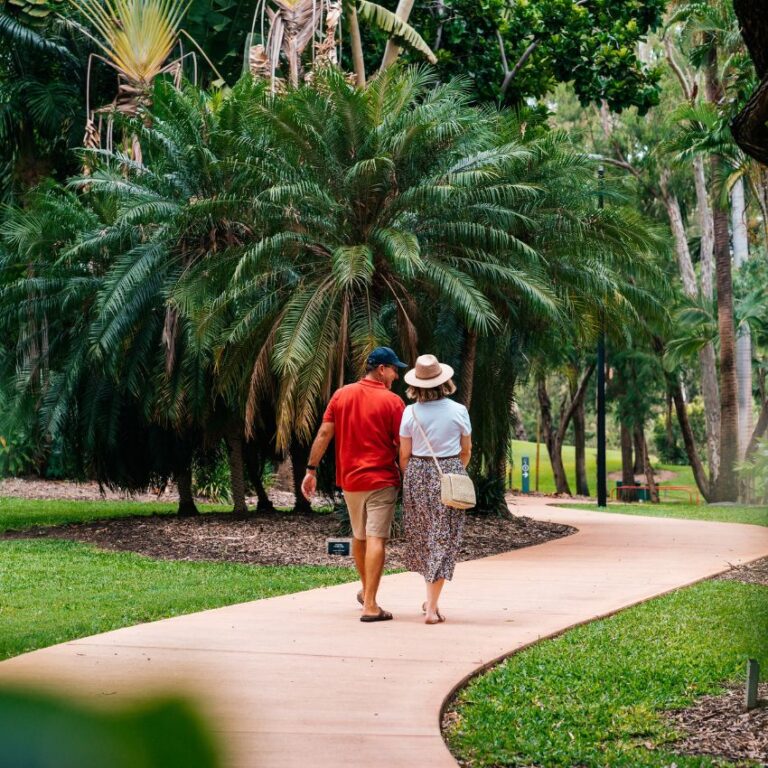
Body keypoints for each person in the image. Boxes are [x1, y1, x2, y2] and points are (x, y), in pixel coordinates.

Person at [301, 346, 407, 622]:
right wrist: (408, 476)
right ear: (381, 369)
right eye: (394, 369)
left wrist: (310, 470)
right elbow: (401, 444)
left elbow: (324, 433)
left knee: (360, 537)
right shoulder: (393, 402)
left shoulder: (341, 394)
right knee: (376, 539)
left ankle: (365, 590)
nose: (396, 375)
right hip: (381, 479)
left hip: (351, 482)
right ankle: (370, 605)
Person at [399, 354, 472, 625]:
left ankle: (431, 602)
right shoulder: (459, 411)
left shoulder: (410, 412)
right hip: (450, 472)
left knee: (426, 536)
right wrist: (454, 470)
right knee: (443, 537)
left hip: (417, 473)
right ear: (444, 381)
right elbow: (466, 450)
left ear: (416, 385)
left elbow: (404, 453)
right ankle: (430, 608)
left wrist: (412, 477)